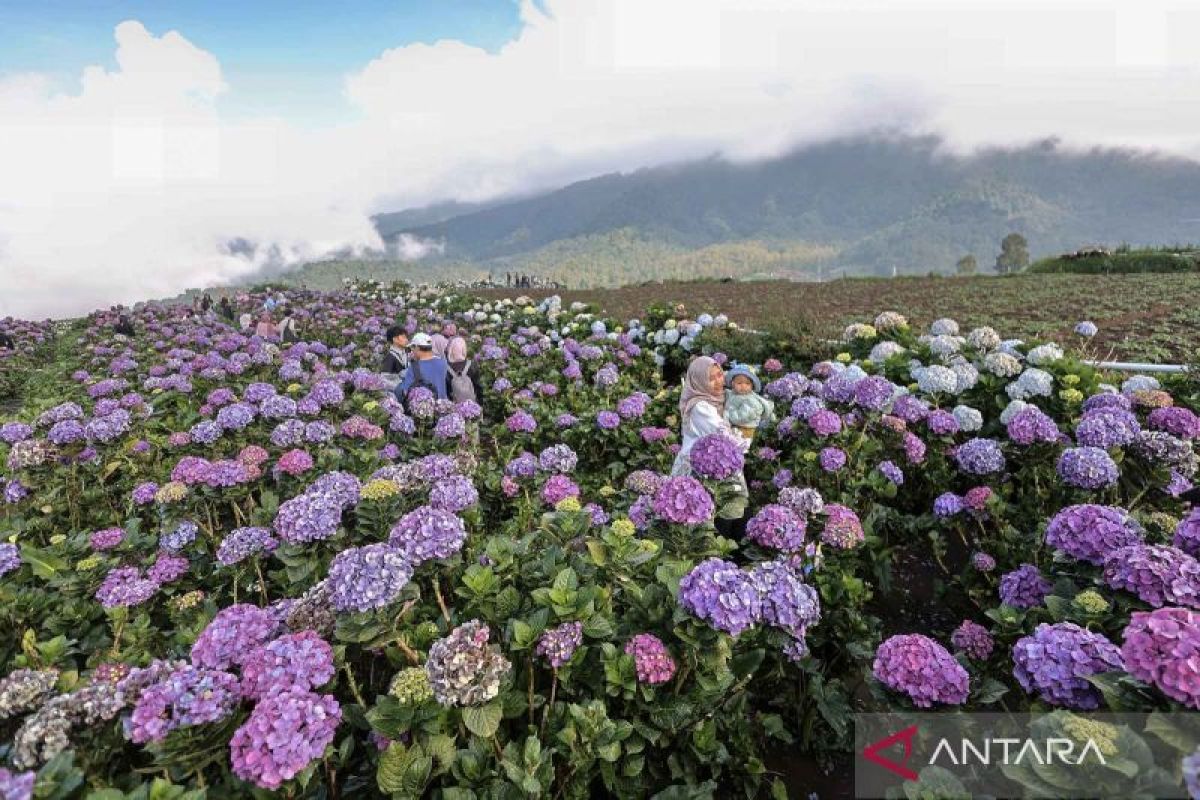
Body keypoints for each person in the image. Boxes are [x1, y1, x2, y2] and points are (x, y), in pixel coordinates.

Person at [671, 356, 750, 538]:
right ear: (699, 381)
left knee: (731, 512)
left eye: (720, 375)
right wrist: (744, 436)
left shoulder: (722, 399)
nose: (718, 381)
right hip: (703, 470)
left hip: (721, 465)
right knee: (711, 517)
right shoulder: (700, 407)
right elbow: (726, 437)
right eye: (711, 378)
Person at [723, 364, 775, 443]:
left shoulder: (752, 401)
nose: (743, 386)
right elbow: (729, 396)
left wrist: (727, 414)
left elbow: (741, 418)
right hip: (736, 425)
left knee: (738, 446)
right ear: (733, 384)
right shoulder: (734, 393)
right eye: (739, 383)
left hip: (745, 429)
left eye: (747, 384)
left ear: (752, 386)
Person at [394, 332, 448, 404]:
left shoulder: (414, 367)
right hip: (443, 405)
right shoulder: (443, 363)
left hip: (425, 407)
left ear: (417, 347)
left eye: (412, 348)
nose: (412, 351)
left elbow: (403, 391)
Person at [444, 336, 482, 403]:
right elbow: (478, 386)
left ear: (451, 349)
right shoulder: (472, 365)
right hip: (471, 404)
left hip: (453, 404)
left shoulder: (445, 367)